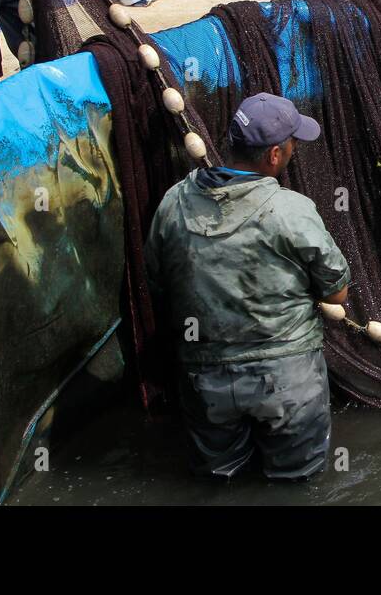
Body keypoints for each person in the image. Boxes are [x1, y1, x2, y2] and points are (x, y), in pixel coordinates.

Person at [144, 93, 351, 481]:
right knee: (296, 483)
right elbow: (336, 293)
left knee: (218, 483)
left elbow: (157, 280)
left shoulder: (174, 202)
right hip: (287, 379)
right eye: (292, 144)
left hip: (204, 379)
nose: (294, 150)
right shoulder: (291, 210)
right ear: (274, 155)